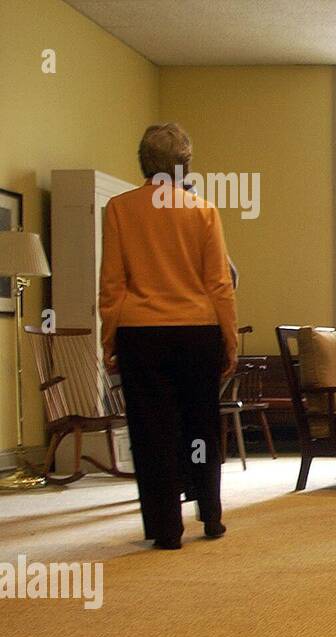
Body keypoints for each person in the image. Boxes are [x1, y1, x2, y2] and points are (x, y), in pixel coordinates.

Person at [100, 123, 236, 550]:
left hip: (141, 333)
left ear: (144, 161)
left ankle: (165, 527)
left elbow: (112, 284)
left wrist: (109, 339)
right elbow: (219, 285)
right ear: (185, 164)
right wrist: (229, 339)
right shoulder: (203, 211)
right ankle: (210, 515)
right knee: (201, 425)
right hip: (198, 332)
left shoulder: (120, 210)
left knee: (151, 431)